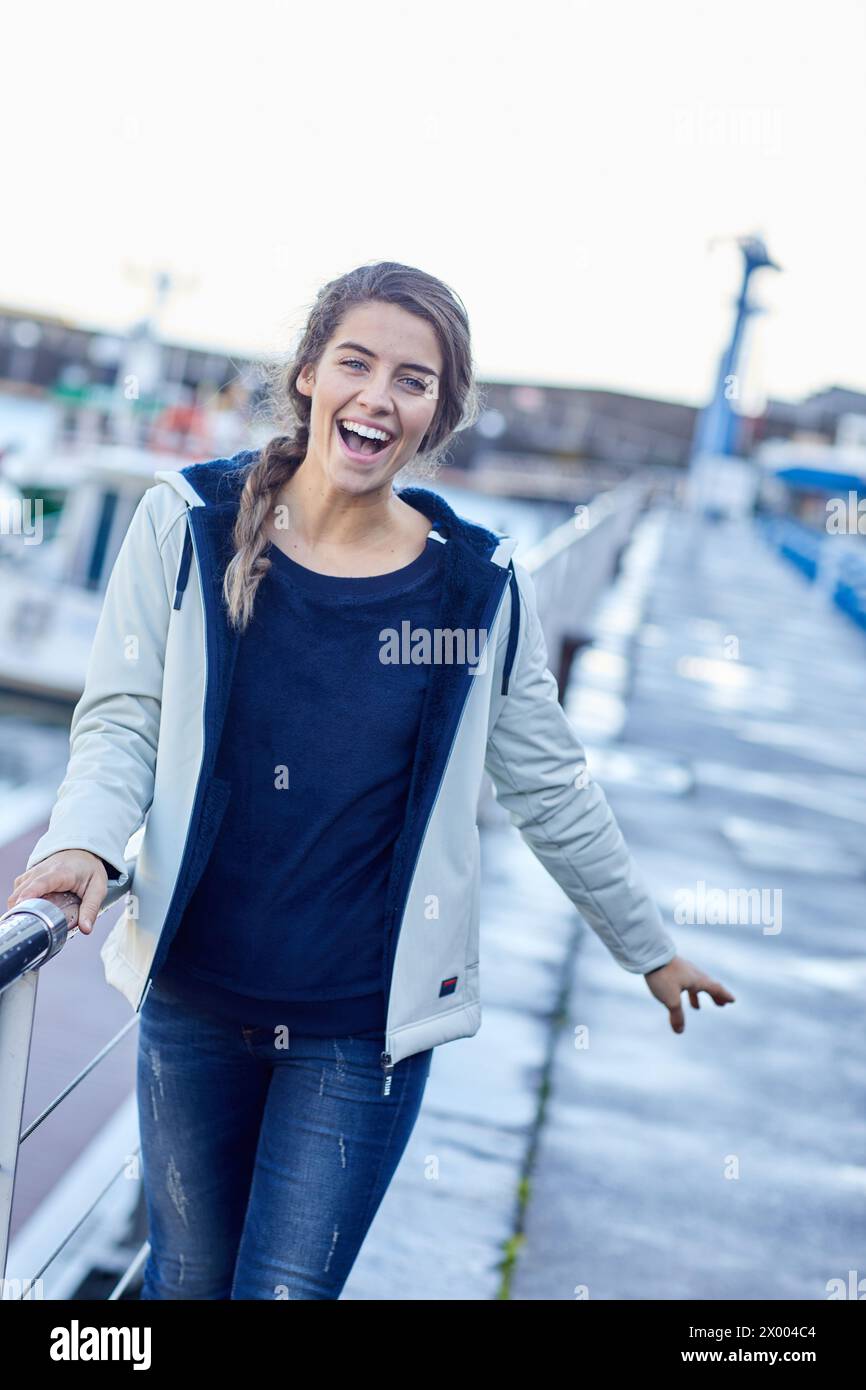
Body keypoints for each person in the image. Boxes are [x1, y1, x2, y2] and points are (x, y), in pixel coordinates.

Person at [7, 261, 734, 1300]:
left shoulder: (473, 588)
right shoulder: (189, 524)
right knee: (183, 1285)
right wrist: (78, 839)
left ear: (437, 412)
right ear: (308, 373)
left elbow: (549, 784)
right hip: (192, 1003)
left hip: (360, 1034)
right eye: (355, 363)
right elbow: (124, 715)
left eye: (414, 379)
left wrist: (648, 948)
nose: (378, 396)